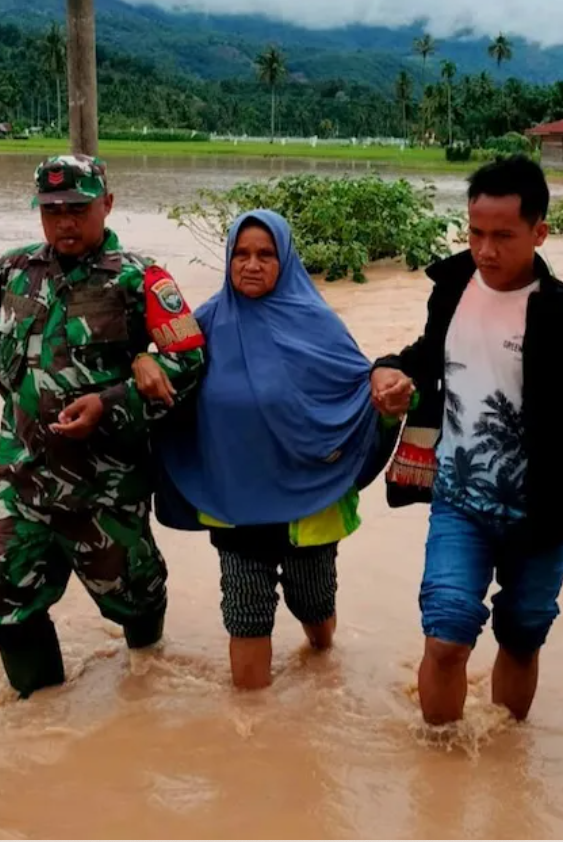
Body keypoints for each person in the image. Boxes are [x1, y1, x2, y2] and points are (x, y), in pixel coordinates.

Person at [371, 156, 563, 726]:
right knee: (446, 637)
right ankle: (441, 773)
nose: (485, 250)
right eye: (476, 233)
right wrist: (388, 369)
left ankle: (505, 764)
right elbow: (430, 356)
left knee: (522, 639)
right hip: (459, 504)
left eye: (503, 236)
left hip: (542, 516)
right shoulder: (451, 287)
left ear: (539, 231)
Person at [0, 154, 206, 699]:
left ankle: (145, 680)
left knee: (135, 596)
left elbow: (189, 359)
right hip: (24, 480)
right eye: (52, 211)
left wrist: (113, 401)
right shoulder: (12, 271)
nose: (65, 223)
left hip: (104, 486)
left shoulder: (140, 278)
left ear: (107, 204)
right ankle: (41, 720)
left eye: (77, 208)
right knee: (5, 599)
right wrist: (25, 406)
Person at [151, 210, 403, 690]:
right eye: (241, 255)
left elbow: (359, 389)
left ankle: (324, 668)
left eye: (265, 255)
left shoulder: (320, 325)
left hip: (308, 503)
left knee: (313, 603)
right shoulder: (200, 327)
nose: (251, 264)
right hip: (236, 504)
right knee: (245, 614)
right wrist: (144, 359)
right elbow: (163, 374)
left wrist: (387, 399)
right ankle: (251, 737)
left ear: (285, 260)